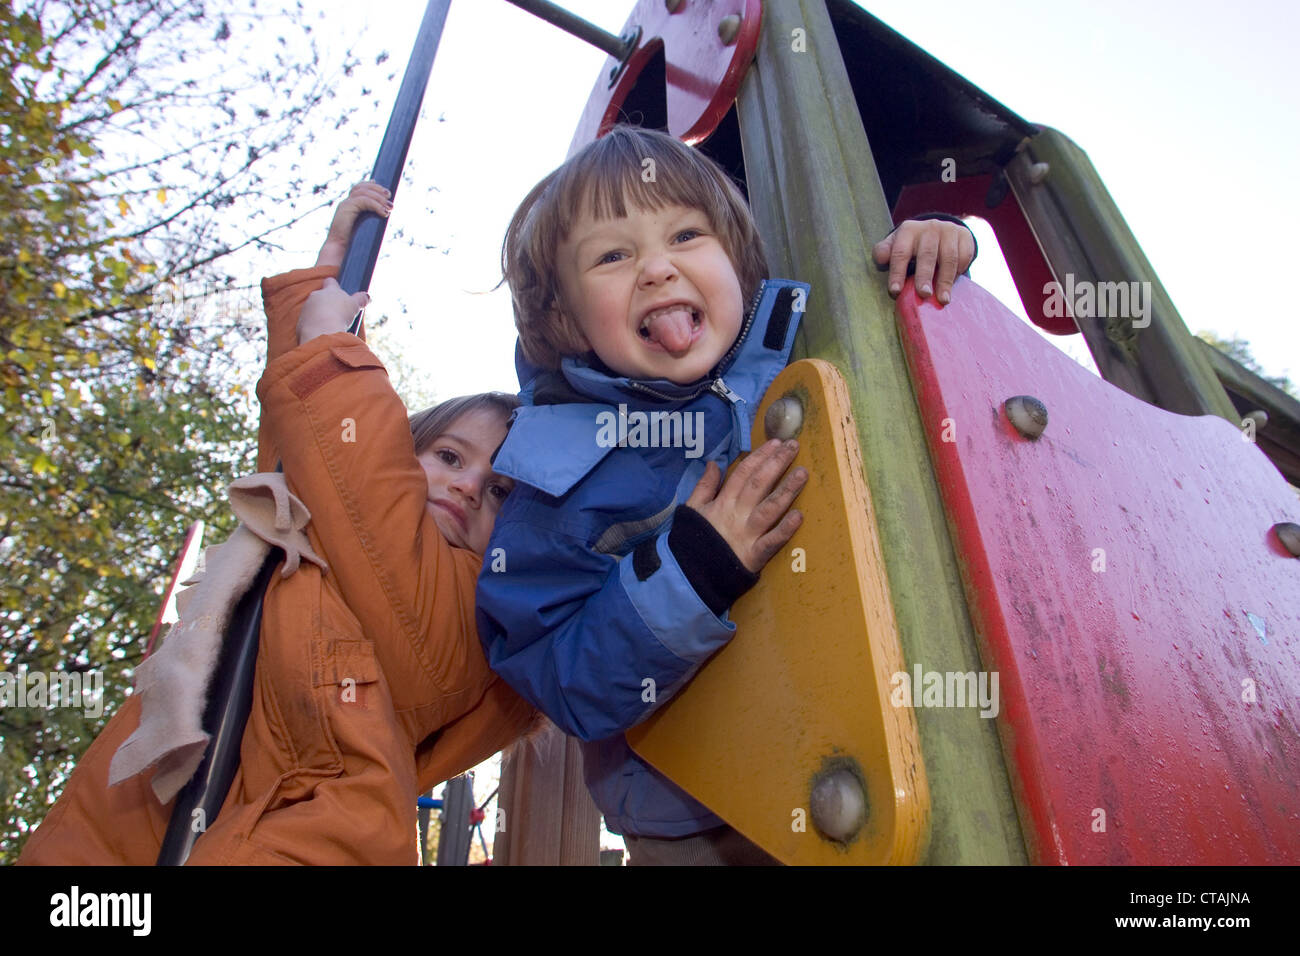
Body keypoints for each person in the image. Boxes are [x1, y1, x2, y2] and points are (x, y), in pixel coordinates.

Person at [476, 126, 976, 865]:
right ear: (564, 320)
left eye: (685, 234)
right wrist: (692, 572)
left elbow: (928, 396)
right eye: (613, 255)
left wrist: (937, 247)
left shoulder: (802, 346)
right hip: (700, 815)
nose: (657, 268)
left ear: (736, 264)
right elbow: (559, 676)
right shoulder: (560, 485)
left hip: (883, 738)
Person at [19, 184, 536, 866]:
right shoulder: (314, 516)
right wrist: (330, 270)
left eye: (500, 491)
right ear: (404, 453)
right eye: (448, 456)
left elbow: (354, 474)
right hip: (132, 827)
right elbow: (304, 436)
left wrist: (327, 349)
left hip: (299, 837)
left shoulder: (474, 612)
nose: (469, 486)